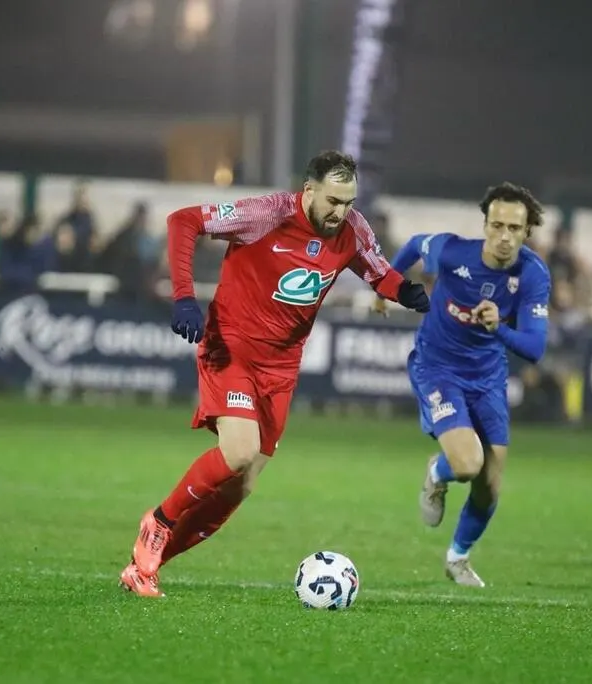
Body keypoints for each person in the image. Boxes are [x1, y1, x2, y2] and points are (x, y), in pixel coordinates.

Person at [119, 150, 431, 598]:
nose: (340, 212)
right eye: (332, 200)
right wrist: (184, 297)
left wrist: (407, 292)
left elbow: (377, 273)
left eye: (348, 202)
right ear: (308, 191)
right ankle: (159, 522)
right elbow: (183, 221)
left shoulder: (353, 229)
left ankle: (145, 566)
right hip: (232, 351)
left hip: (281, 368)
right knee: (240, 452)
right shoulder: (266, 214)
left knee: (240, 485)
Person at [379, 181, 551, 587]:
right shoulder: (453, 252)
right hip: (437, 366)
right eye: (497, 225)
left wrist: (499, 329)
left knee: (489, 486)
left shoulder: (532, 274)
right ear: (486, 224)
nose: (504, 236)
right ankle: (437, 473)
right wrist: (385, 288)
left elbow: (535, 347)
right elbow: (414, 246)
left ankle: (458, 557)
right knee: (467, 464)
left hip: (488, 377)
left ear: (527, 232)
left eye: (514, 228)